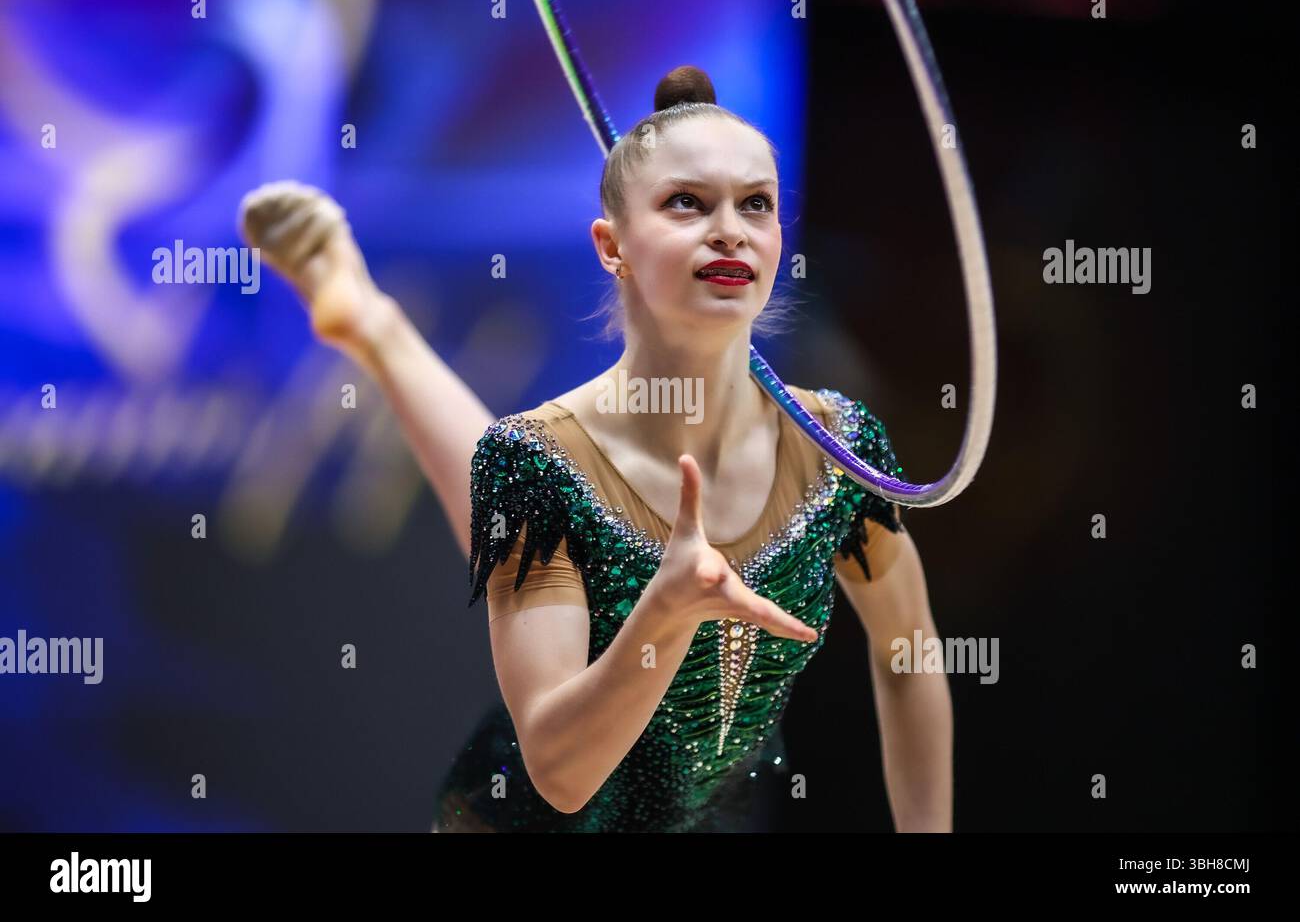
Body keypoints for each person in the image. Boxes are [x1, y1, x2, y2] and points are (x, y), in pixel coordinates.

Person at [240, 65, 952, 833]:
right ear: (612, 246)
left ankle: (370, 321)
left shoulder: (837, 448)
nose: (730, 230)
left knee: (514, 492)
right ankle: (373, 324)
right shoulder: (531, 463)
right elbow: (560, 774)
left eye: (757, 205)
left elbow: (908, 654)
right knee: (524, 480)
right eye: (688, 202)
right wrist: (664, 614)